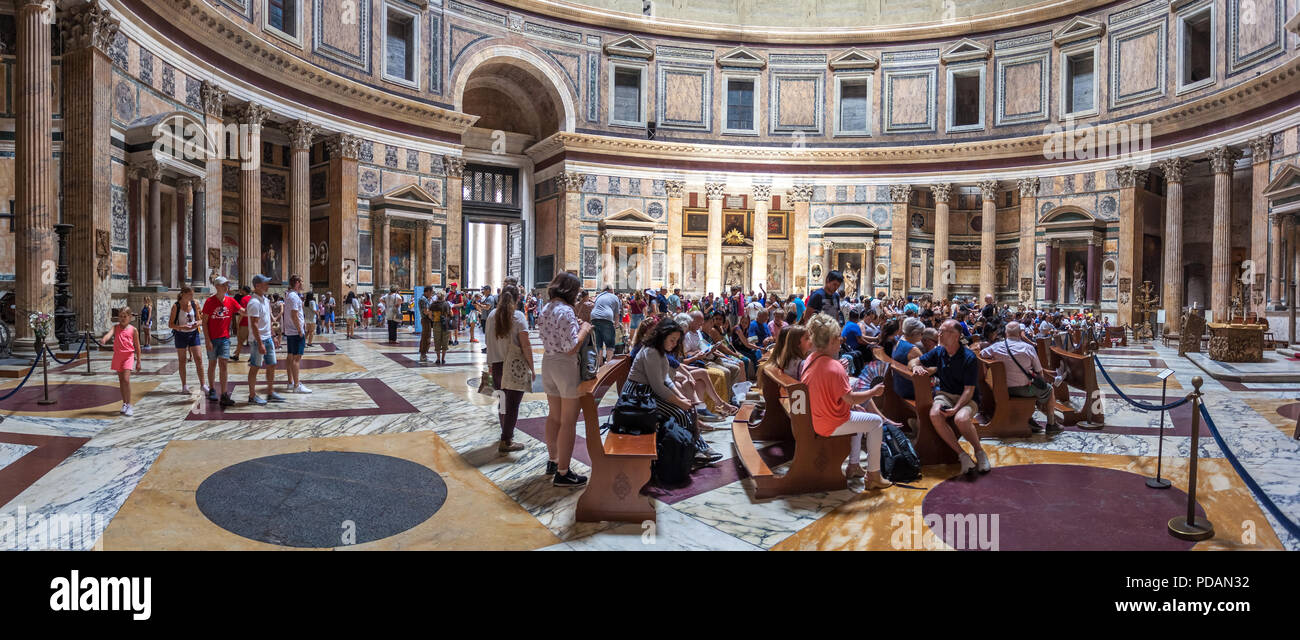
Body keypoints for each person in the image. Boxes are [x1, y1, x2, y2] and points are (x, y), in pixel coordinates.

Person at [802, 314, 892, 489]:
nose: (841, 340)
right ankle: (874, 475)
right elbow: (850, 398)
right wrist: (873, 392)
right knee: (876, 423)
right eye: (838, 337)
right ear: (830, 341)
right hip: (829, 423)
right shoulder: (834, 366)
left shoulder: (811, 359)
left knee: (860, 415)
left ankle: (854, 465)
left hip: (816, 417)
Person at [624, 319, 722, 468]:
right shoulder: (651, 352)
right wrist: (679, 401)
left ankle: (698, 446)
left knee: (689, 409)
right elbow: (658, 386)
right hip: (636, 395)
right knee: (680, 413)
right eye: (672, 340)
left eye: (677, 340)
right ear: (662, 336)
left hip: (647, 392)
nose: (675, 344)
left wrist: (681, 396)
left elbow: (666, 379)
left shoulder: (660, 351)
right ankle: (690, 451)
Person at [910, 319, 989, 475]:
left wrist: (956, 409)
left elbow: (969, 390)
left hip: (967, 398)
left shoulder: (969, 357)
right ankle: (962, 455)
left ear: (955, 335)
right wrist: (916, 366)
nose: (939, 333)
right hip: (945, 395)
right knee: (934, 414)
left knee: (961, 418)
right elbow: (913, 360)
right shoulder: (939, 351)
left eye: (942, 331)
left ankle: (980, 453)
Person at [538, 272, 593, 488]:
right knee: (568, 421)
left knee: (554, 416)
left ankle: (553, 461)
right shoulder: (566, 311)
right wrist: (584, 329)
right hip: (565, 366)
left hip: (548, 362)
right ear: (570, 291)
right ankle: (563, 472)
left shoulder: (546, 308)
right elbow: (571, 347)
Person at [980, 321, 1059, 433]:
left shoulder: (996, 347)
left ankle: (1028, 417)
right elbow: (1039, 371)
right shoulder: (1028, 348)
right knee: (1049, 390)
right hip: (1024, 389)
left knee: (1037, 388)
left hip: (1002, 389)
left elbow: (982, 354)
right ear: (1019, 333)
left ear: (1006, 333)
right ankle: (1051, 424)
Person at [487, 286, 533, 454]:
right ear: (517, 298)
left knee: (503, 402)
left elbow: (488, 342)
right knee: (513, 405)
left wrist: (489, 366)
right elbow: (526, 345)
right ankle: (506, 440)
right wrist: (532, 367)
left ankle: (505, 434)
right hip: (512, 366)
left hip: (495, 365)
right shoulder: (518, 316)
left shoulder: (492, 315)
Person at [201, 276, 243, 406]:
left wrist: (256, 308)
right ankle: (212, 389)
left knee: (223, 365)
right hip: (212, 339)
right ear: (217, 286)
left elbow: (243, 311)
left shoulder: (231, 301)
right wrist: (207, 340)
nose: (226, 287)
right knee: (212, 364)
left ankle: (224, 394)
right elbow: (204, 322)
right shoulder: (209, 302)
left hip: (225, 338)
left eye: (227, 285)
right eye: (224, 285)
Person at [244, 274, 283, 405]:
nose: (267, 286)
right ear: (257, 286)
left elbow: (267, 322)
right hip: (257, 340)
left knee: (272, 364)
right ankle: (252, 395)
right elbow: (254, 325)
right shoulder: (254, 303)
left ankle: (270, 392)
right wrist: (260, 343)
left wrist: (273, 336)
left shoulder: (265, 300)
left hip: (268, 338)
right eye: (265, 283)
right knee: (255, 367)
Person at [101, 306, 142, 416]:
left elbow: (137, 347)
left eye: (125, 316)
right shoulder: (115, 328)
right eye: (121, 316)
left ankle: (129, 404)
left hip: (128, 356)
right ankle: (124, 403)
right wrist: (104, 339)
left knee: (126, 379)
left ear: (129, 317)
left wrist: (138, 361)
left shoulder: (133, 330)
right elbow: (109, 334)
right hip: (117, 356)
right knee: (121, 381)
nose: (123, 318)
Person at [168, 286, 207, 395]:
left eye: (192, 294)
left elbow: (201, 319)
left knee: (198, 358)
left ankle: (203, 384)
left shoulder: (195, 304)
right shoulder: (176, 306)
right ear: (183, 294)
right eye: (190, 294)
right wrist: (182, 327)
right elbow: (170, 324)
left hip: (194, 333)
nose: (192, 297)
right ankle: (184, 385)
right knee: (182, 360)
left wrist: (197, 323)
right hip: (180, 335)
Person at [282, 274, 311, 394]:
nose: (303, 284)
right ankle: (297, 385)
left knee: (290, 356)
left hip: (290, 330)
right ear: (297, 282)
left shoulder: (289, 295)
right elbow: (294, 315)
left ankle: (290, 383)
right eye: (302, 281)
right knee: (296, 358)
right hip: (295, 331)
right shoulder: (294, 297)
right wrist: (300, 330)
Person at [891, 317, 926, 399]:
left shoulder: (899, 341)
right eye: (921, 333)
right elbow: (927, 371)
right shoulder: (913, 350)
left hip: (899, 386)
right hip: (910, 390)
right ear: (914, 333)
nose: (922, 336)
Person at [590, 284, 620, 366]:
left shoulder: (599, 296)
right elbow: (617, 314)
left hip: (594, 318)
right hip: (606, 318)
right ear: (610, 290)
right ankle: (609, 363)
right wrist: (616, 325)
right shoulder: (614, 297)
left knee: (598, 342)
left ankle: (600, 364)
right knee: (610, 342)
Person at [429, 290, 452, 364]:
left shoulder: (433, 305)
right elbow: (451, 314)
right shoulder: (447, 304)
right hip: (445, 324)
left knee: (437, 341)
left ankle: (438, 359)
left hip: (436, 324)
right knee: (445, 341)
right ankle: (443, 359)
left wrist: (434, 319)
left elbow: (430, 315)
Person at [232, 285, 252, 362]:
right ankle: (252, 356)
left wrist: (238, 323)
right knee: (251, 341)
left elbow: (242, 312)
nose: (241, 292)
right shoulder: (252, 298)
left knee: (240, 340)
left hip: (244, 323)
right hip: (251, 322)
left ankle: (236, 355)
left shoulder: (244, 299)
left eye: (242, 290)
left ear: (244, 291)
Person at [417, 286, 435, 363]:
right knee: (425, 337)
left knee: (427, 337)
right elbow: (425, 311)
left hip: (427, 320)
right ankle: (423, 354)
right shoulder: (423, 299)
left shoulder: (425, 299)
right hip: (425, 320)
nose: (431, 294)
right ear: (427, 291)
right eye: (431, 292)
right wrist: (433, 317)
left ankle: (424, 354)